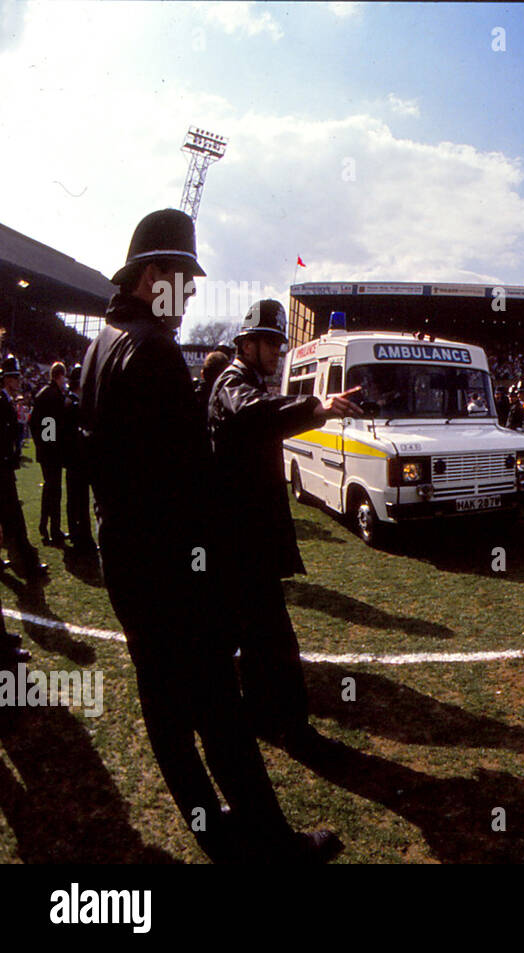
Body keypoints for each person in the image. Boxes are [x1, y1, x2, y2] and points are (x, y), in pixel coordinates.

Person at [81, 208, 339, 862]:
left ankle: (213, 834)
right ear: (152, 276)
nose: (190, 295)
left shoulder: (99, 347)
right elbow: (187, 485)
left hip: (127, 565)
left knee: (166, 714)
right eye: (183, 281)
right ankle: (274, 845)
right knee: (219, 714)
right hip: (171, 575)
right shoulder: (155, 351)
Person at [208, 298, 363, 754]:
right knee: (274, 644)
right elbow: (257, 413)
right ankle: (293, 731)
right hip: (240, 545)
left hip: (245, 541)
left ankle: (262, 720)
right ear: (248, 343)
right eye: (271, 344)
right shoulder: (233, 385)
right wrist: (318, 406)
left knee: (256, 644)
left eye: (279, 343)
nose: (278, 353)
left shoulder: (247, 383)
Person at [0, 356, 46, 578]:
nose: (18, 382)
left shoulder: (7, 400)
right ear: (7, 379)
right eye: (14, 378)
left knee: (8, 516)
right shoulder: (2, 400)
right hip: (2, 466)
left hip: (6, 464)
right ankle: (29, 564)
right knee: (14, 518)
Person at [32, 361, 68, 544]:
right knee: (54, 490)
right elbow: (51, 425)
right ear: (59, 375)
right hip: (51, 451)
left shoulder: (42, 394)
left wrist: (42, 444)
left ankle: (45, 525)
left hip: (45, 450)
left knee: (49, 488)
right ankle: (54, 528)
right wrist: (52, 446)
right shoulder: (54, 396)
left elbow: (36, 424)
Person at [63, 364, 95, 551]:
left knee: (75, 500)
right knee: (79, 501)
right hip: (78, 461)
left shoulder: (69, 402)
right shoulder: (73, 404)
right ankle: (82, 538)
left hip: (73, 461)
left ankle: (78, 535)